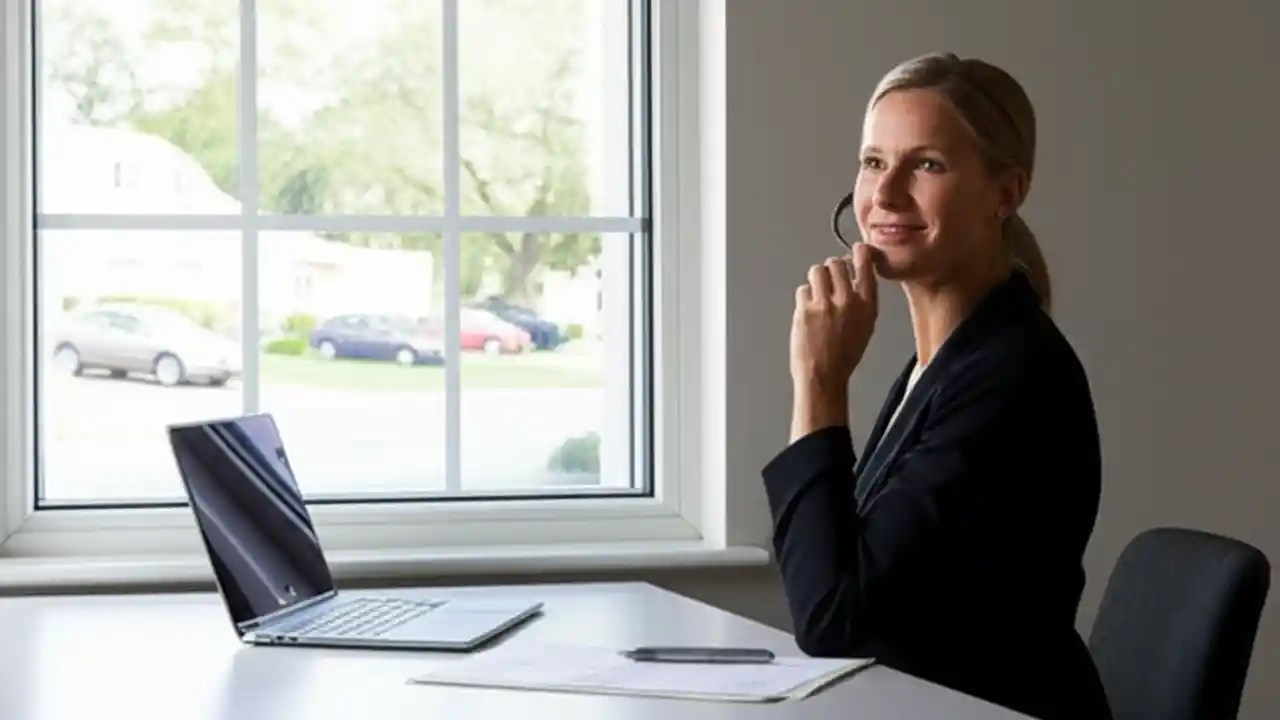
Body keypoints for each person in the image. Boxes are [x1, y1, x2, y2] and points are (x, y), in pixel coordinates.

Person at [761, 52, 1112, 720]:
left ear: (1006, 192)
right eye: (872, 162)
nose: (885, 194)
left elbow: (834, 619)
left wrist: (818, 380)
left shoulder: (1011, 377)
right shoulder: (946, 363)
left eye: (926, 164)